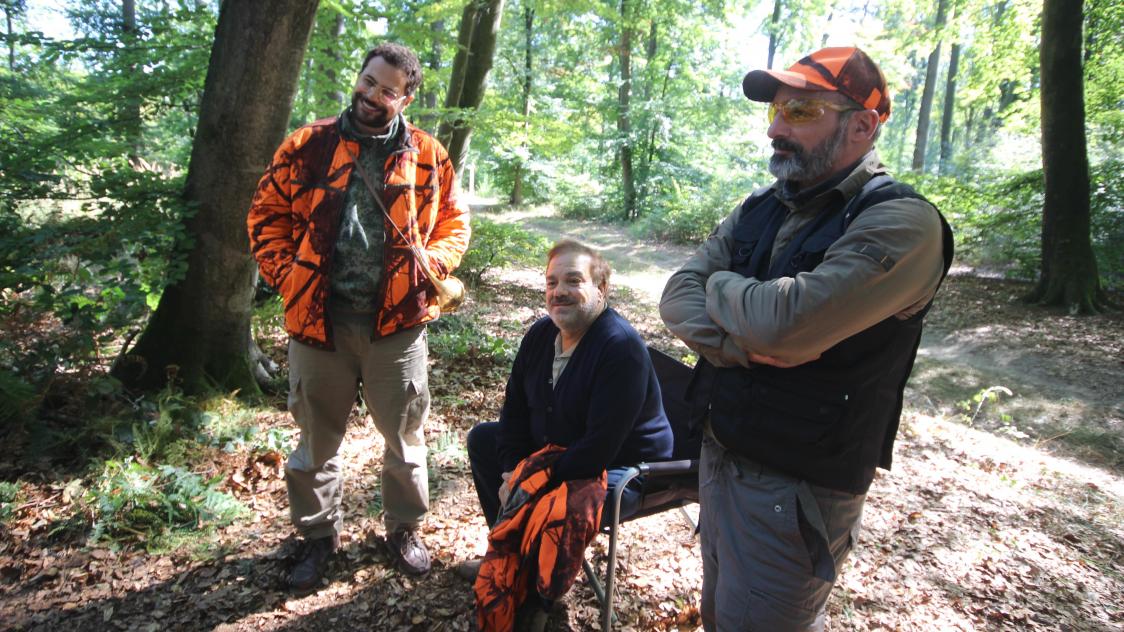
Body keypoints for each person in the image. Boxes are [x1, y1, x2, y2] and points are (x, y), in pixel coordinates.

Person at [660, 47, 954, 631]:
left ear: (862, 126)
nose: (774, 128)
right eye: (774, 110)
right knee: (722, 616)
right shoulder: (762, 206)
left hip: (796, 488)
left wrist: (719, 283)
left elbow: (782, 327)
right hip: (722, 453)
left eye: (799, 110)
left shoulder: (903, 223)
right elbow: (675, 297)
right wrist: (743, 341)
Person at [246, 42, 470, 591]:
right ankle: (317, 537)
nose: (372, 95)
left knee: (404, 439)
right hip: (317, 322)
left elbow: (454, 223)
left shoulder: (427, 153)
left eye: (387, 90)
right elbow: (265, 215)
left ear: (406, 97)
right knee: (315, 440)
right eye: (368, 81)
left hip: (397, 323)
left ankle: (404, 529)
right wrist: (287, 274)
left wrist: (431, 264)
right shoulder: (307, 144)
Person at [466, 240, 673, 630]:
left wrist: (529, 482)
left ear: (602, 288)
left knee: (560, 500)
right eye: (551, 282)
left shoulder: (619, 347)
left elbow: (598, 449)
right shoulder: (541, 335)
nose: (558, 291)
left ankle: (539, 594)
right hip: (559, 450)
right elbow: (512, 412)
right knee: (483, 441)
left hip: (627, 468)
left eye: (573, 280)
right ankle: (509, 556)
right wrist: (513, 468)